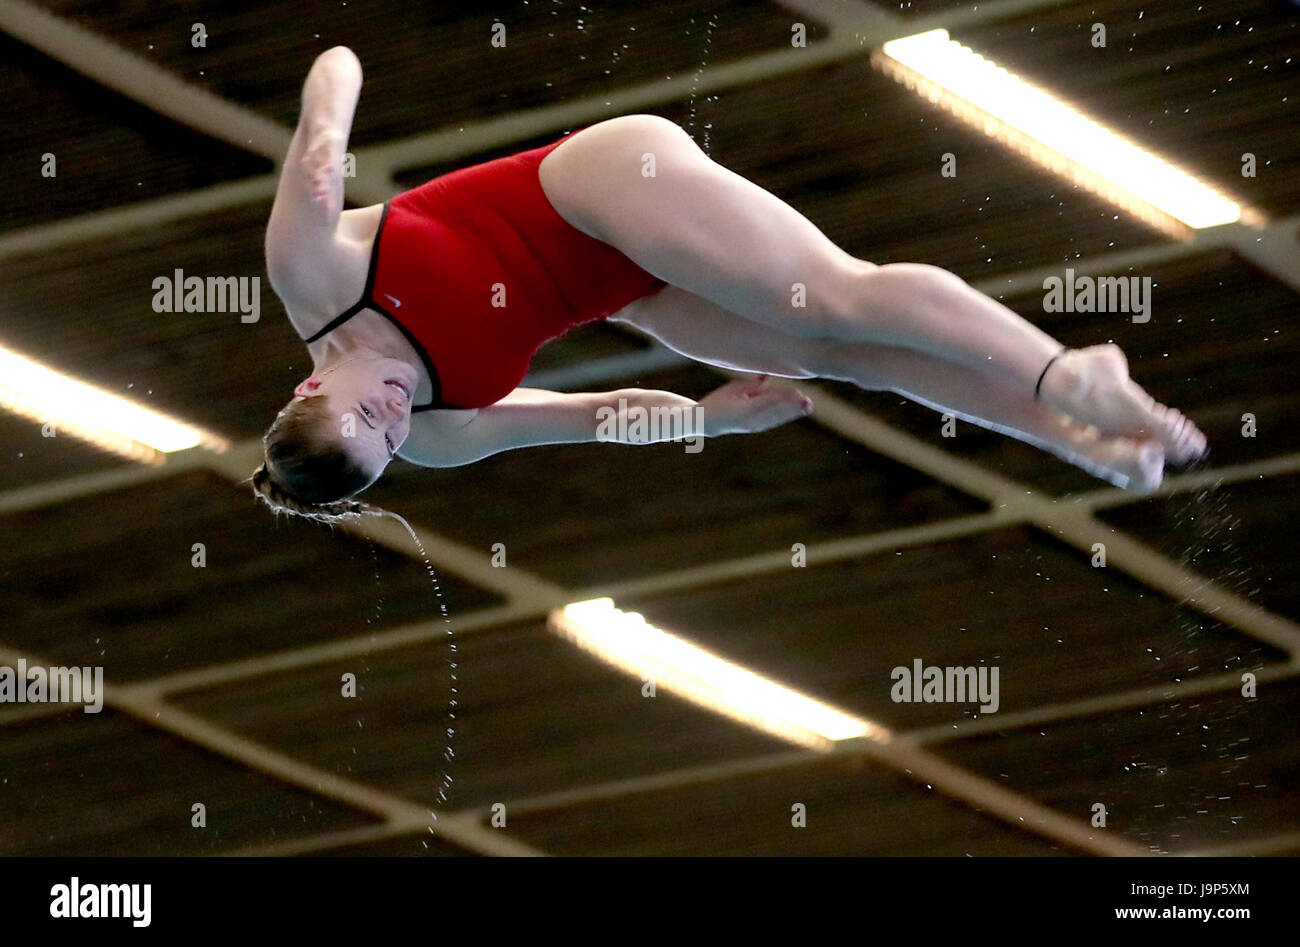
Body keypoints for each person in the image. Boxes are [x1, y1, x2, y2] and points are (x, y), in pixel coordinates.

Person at [251, 47, 1206, 520]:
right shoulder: (443, 437)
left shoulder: (317, 277)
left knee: (832, 294)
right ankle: (1073, 435)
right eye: (390, 439)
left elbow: (322, 133)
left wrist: (335, 87)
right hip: (631, 287)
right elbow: (595, 416)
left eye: (365, 415)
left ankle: (1062, 373)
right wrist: (709, 421)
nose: (393, 413)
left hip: (598, 186)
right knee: (844, 358)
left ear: (309, 384)